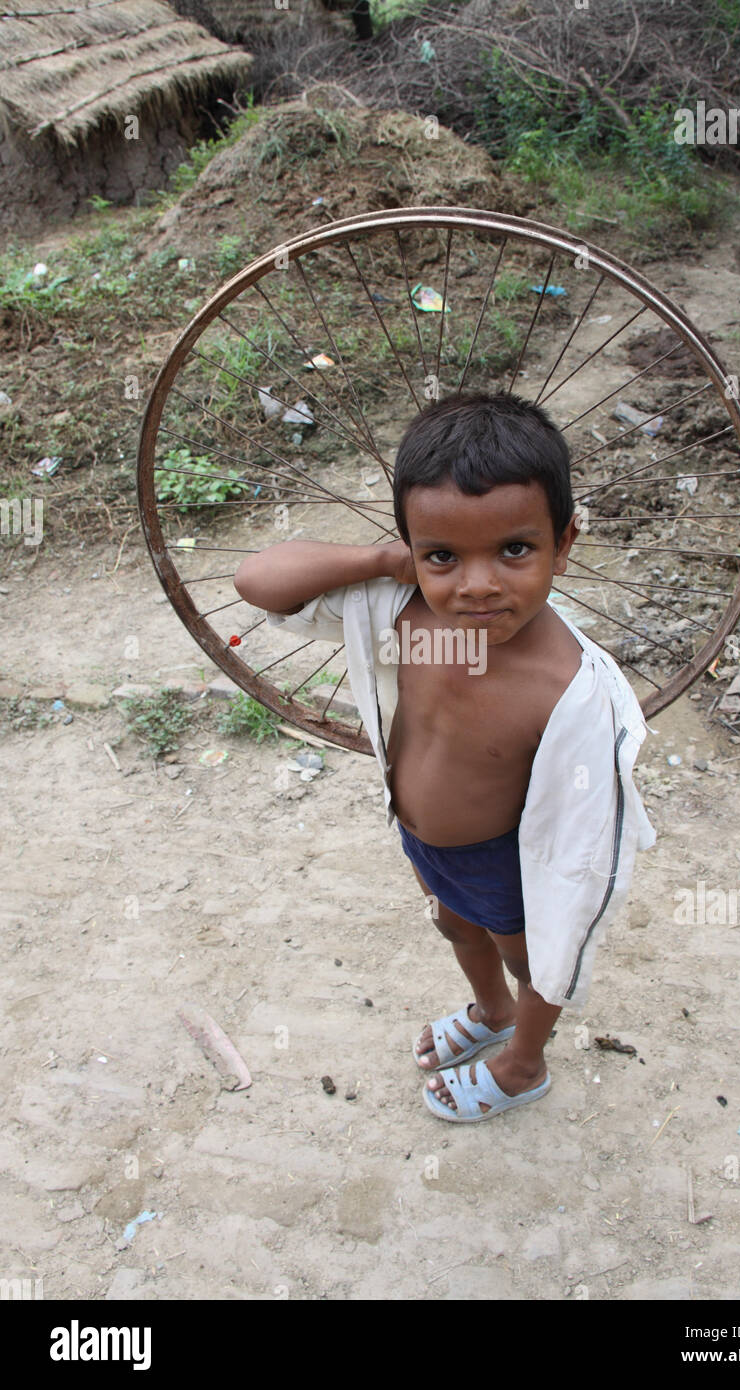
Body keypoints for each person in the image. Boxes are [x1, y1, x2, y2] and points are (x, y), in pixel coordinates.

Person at [233, 391, 655, 1122]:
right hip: (423, 837)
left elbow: (591, 841)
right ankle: (490, 1012)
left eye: (515, 549)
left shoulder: (573, 691)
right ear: (411, 550)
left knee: (532, 959)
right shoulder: (402, 612)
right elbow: (258, 581)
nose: (479, 584)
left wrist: (565, 923)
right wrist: (385, 561)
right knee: (454, 923)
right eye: (444, 555)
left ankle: (523, 1062)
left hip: (509, 859)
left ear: (566, 541)